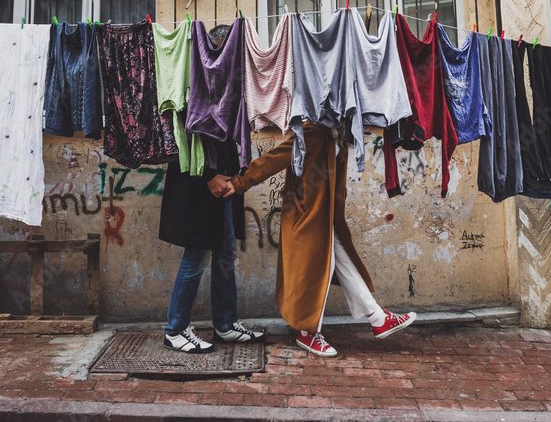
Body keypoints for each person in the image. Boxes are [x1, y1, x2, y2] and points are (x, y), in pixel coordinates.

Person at [210, 122, 415, 357]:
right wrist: (239, 183)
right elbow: (276, 158)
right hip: (305, 215)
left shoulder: (340, 134)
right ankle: (308, 333)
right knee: (314, 272)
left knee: (342, 264)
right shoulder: (313, 131)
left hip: (326, 216)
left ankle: (377, 318)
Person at [159, 25, 264, 353]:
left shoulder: (232, 84)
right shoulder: (192, 80)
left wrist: (231, 176)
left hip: (226, 179)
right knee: (196, 255)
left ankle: (225, 323)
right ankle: (175, 328)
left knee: (225, 252)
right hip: (197, 181)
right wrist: (208, 177)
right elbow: (181, 136)